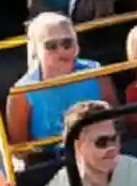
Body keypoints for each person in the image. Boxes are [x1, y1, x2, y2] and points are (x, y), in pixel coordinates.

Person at [7, 12, 119, 145]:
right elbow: (20, 146)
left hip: (102, 148)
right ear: (36, 50)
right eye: (51, 46)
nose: (61, 51)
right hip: (50, 156)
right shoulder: (21, 93)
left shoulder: (97, 73)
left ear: (77, 46)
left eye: (67, 43)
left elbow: (117, 121)